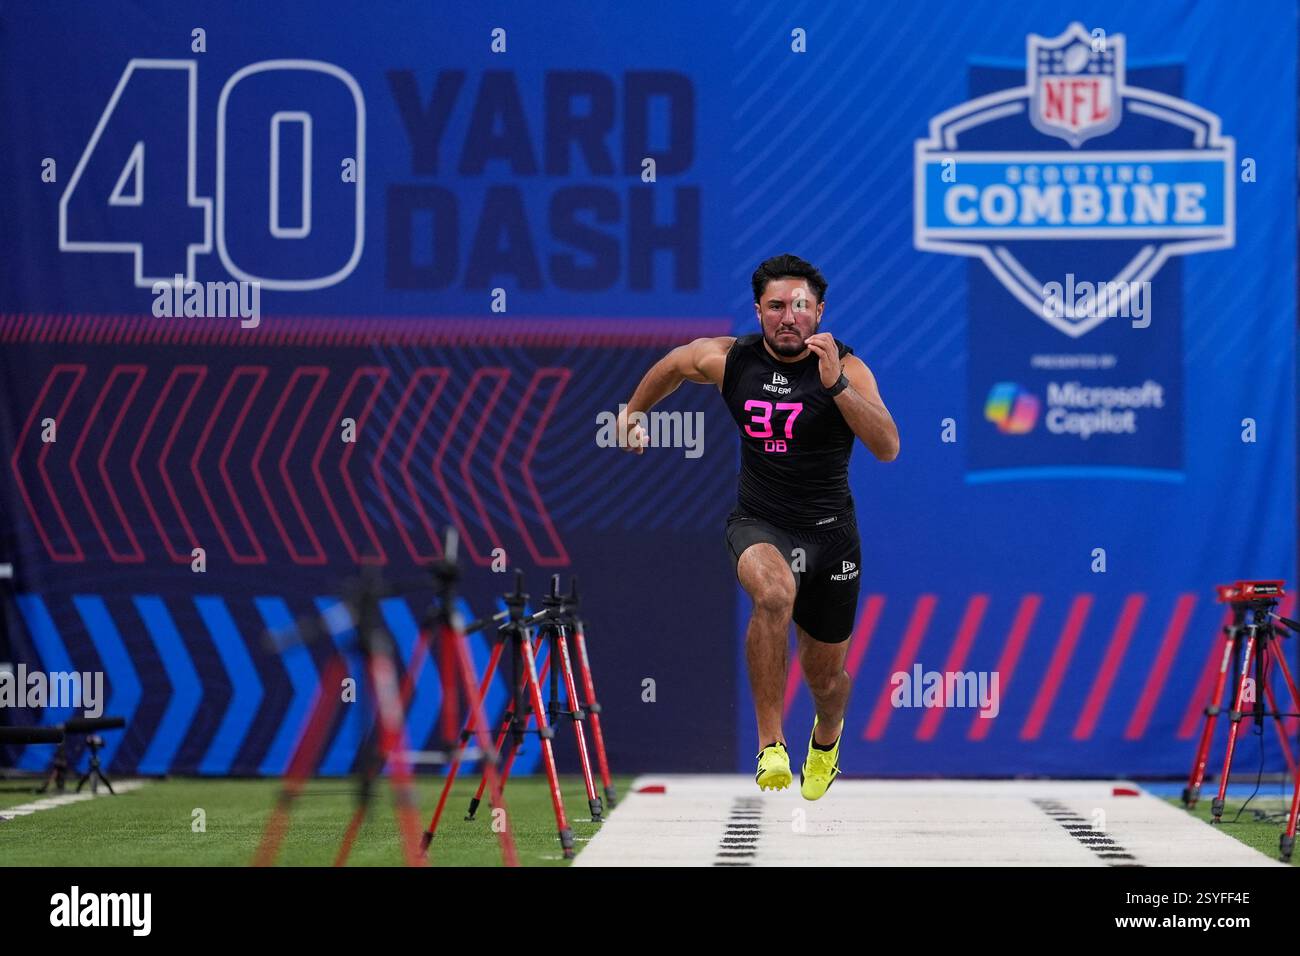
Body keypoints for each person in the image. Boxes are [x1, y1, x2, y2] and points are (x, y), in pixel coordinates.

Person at [619, 254, 900, 798]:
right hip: (760, 522)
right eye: (776, 306)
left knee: (826, 681)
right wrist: (633, 411)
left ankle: (827, 738)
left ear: (819, 312)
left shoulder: (847, 367)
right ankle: (771, 745)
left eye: (800, 306)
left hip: (831, 536)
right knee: (773, 593)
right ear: (759, 311)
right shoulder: (731, 359)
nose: (788, 317)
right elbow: (676, 364)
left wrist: (837, 386)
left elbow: (888, 447)